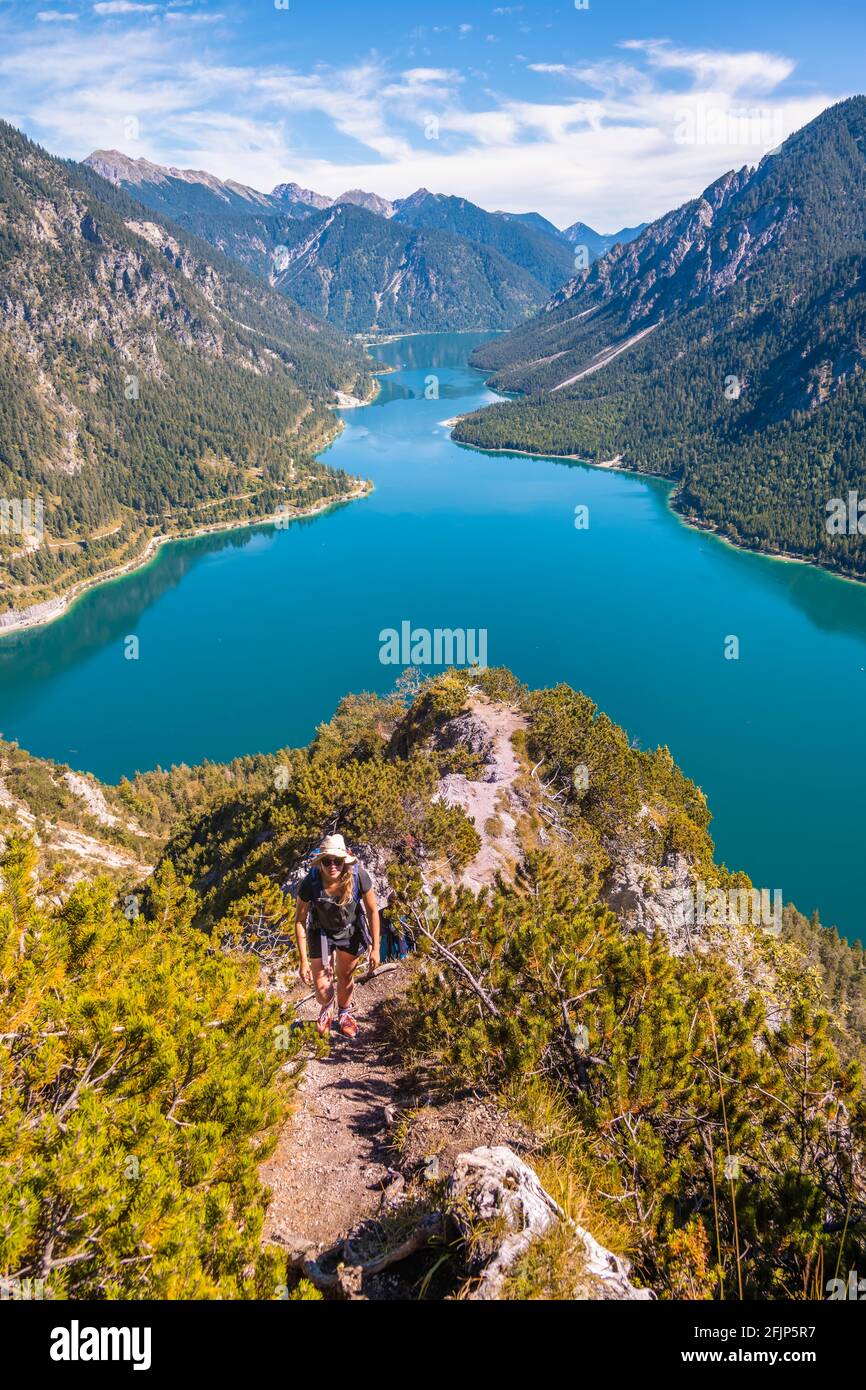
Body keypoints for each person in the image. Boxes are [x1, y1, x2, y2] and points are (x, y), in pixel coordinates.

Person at [294, 834, 380, 1039]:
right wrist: (303, 961)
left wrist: (376, 948)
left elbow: (372, 911)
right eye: (327, 861)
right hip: (321, 933)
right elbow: (299, 920)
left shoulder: (359, 877)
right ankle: (327, 1007)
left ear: (344, 861)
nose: (333, 865)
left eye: (338, 861)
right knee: (323, 991)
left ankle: (344, 1013)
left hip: (350, 932)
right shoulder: (310, 883)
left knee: (345, 976)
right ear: (320, 863)